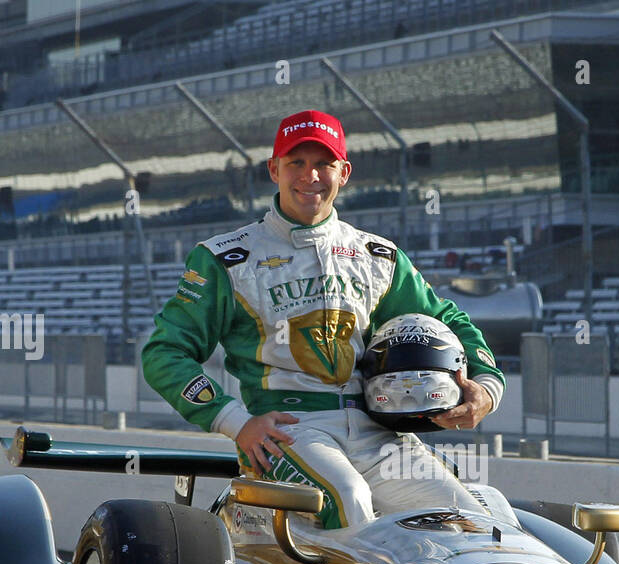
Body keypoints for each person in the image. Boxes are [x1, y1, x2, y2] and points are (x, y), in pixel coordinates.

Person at [143, 110, 505, 530]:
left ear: (344, 172)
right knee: (347, 499)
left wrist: (487, 389)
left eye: (323, 164)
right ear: (273, 169)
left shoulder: (376, 256)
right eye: (296, 162)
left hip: (377, 431)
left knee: (467, 520)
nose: (309, 176)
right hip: (288, 431)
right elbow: (164, 353)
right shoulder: (225, 259)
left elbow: (445, 319)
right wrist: (235, 423)